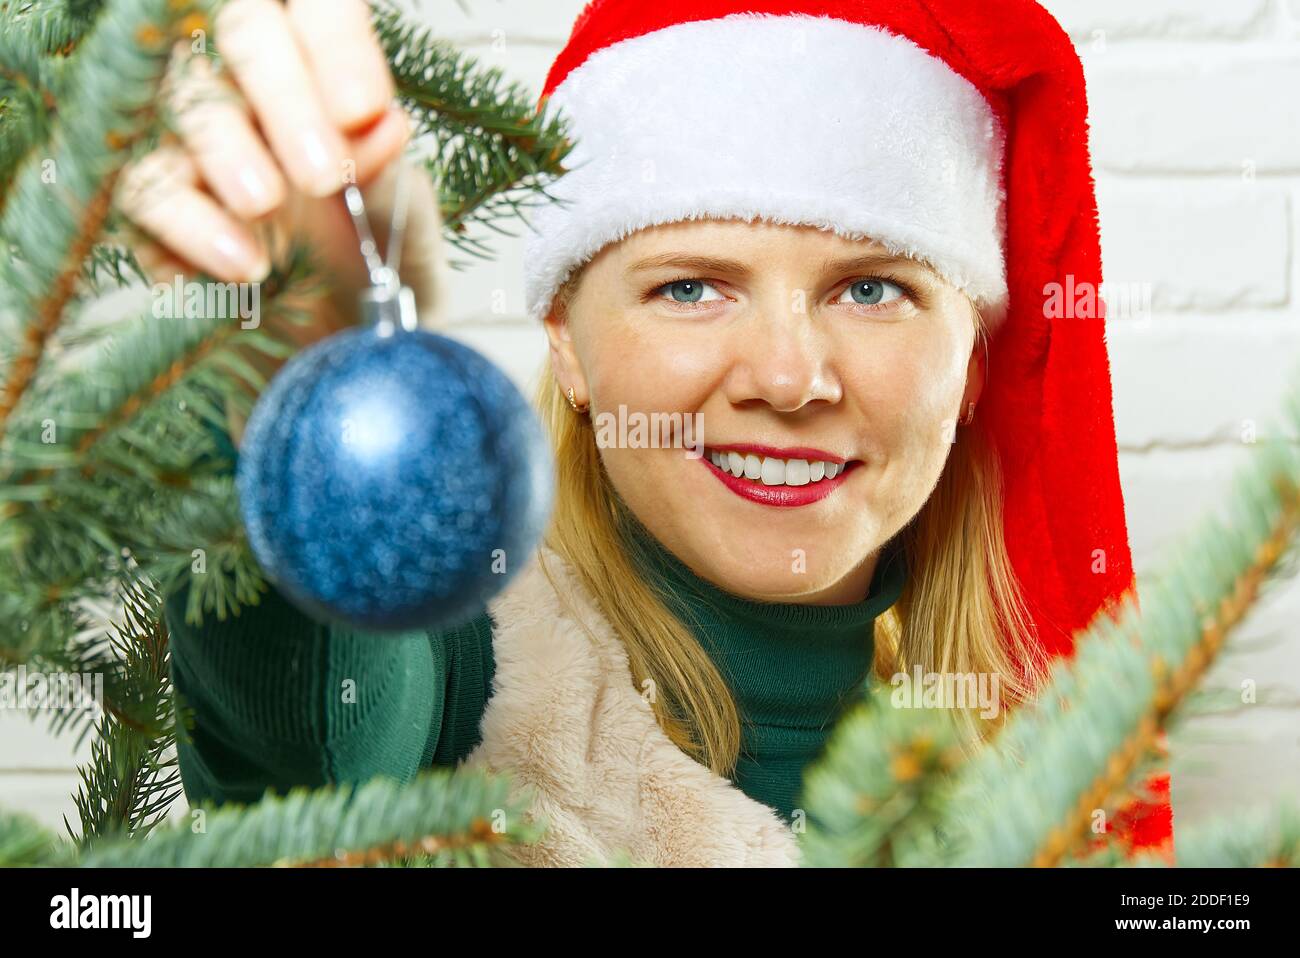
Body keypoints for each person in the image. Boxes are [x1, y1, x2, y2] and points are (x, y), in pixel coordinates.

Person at [120, 0, 1175, 866]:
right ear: (568, 348)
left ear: (974, 363)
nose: (787, 376)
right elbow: (312, 728)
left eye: (869, 287)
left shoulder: (1048, 794)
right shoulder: (474, 668)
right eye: (689, 287)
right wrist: (297, 388)